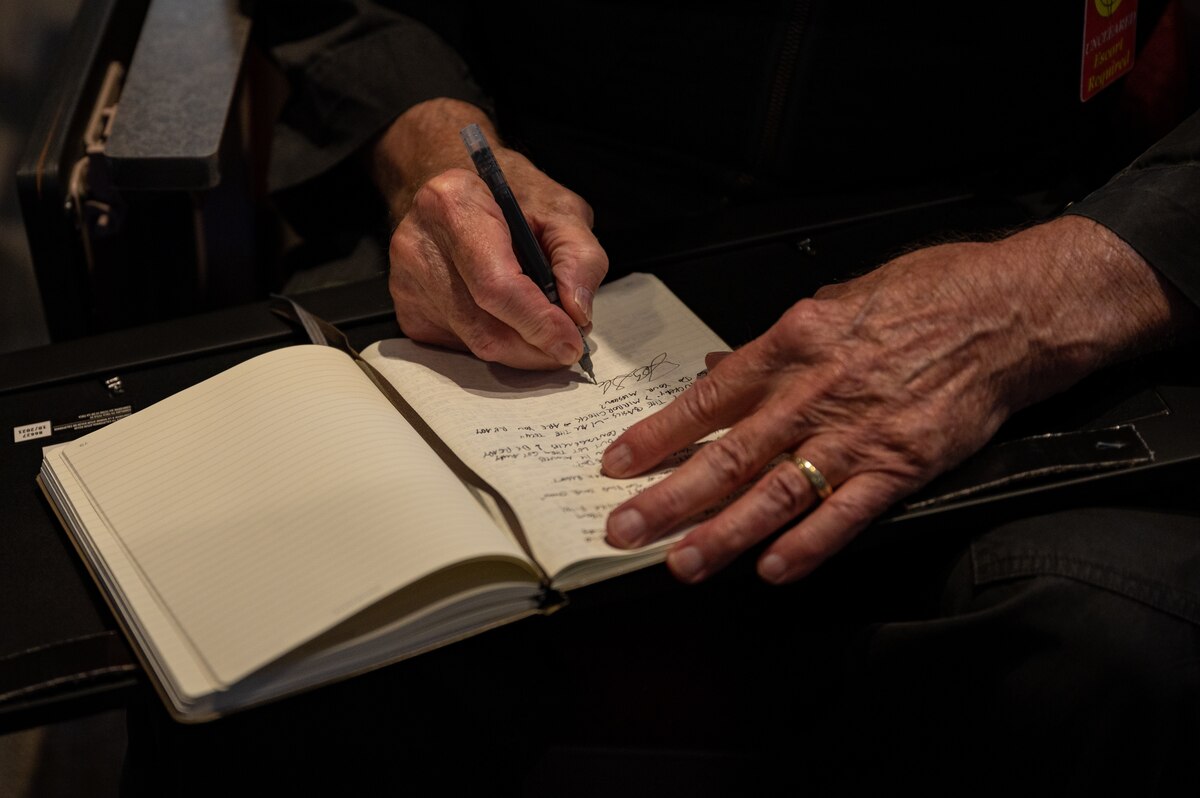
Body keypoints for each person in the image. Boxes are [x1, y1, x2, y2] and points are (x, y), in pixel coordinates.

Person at [245, 0, 1200, 790]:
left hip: (1022, 240)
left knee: (1110, 634)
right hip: (518, 214)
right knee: (280, 597)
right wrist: (432, 147)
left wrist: (1041, 296)